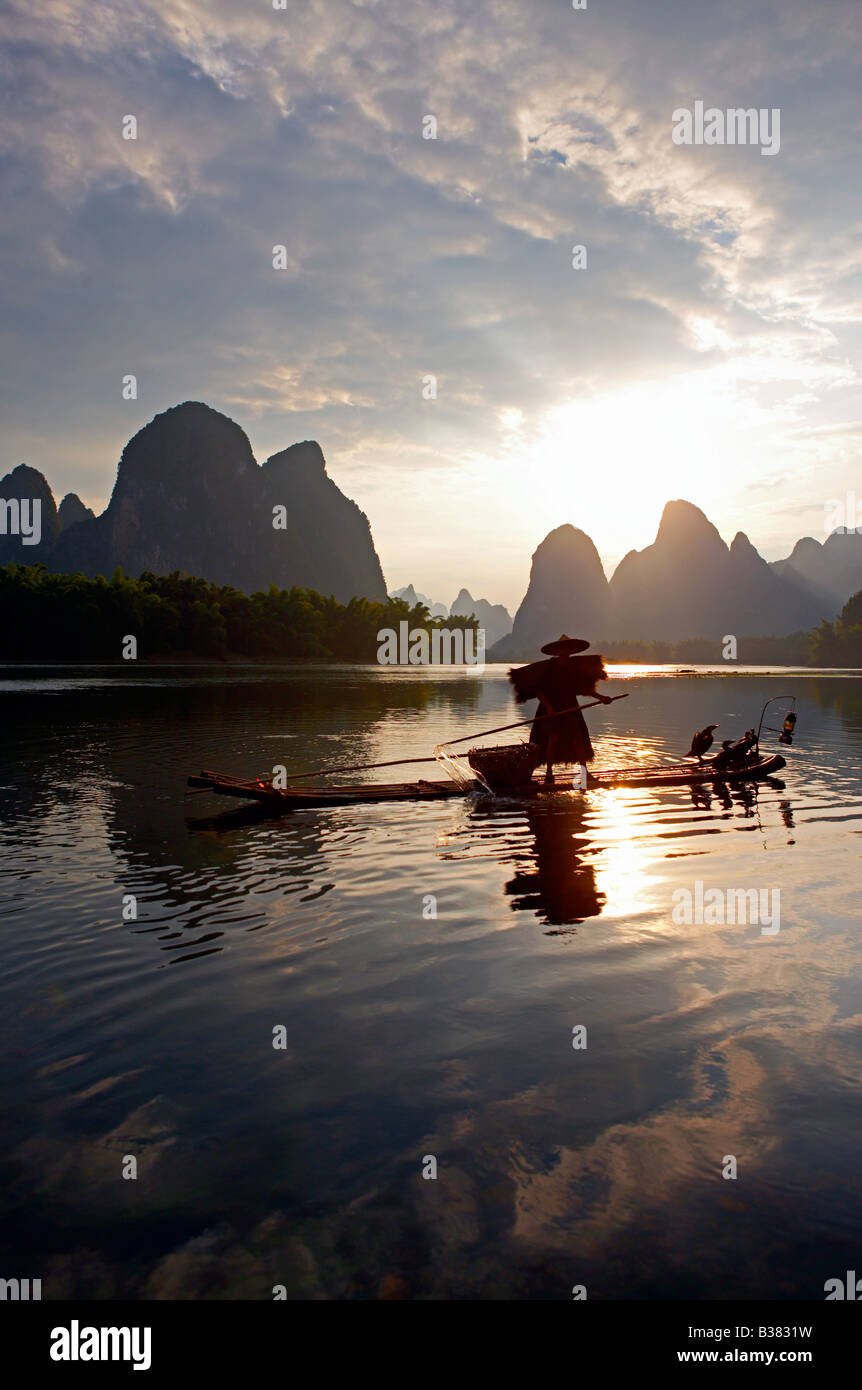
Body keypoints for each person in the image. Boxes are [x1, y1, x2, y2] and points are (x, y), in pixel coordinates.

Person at [509, 635, 612, 788]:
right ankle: (549, 774)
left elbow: (584, 688)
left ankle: (585, 773)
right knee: (552, 738)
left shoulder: (573, 668)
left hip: (570, 706)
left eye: (568, 649)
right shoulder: (548, 668)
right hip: (550, 707)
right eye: (562, 648)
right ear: (557, 651)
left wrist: (601, 697)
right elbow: (538, 690)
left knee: (578, 738)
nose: (566, 651)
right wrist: (549, 707)